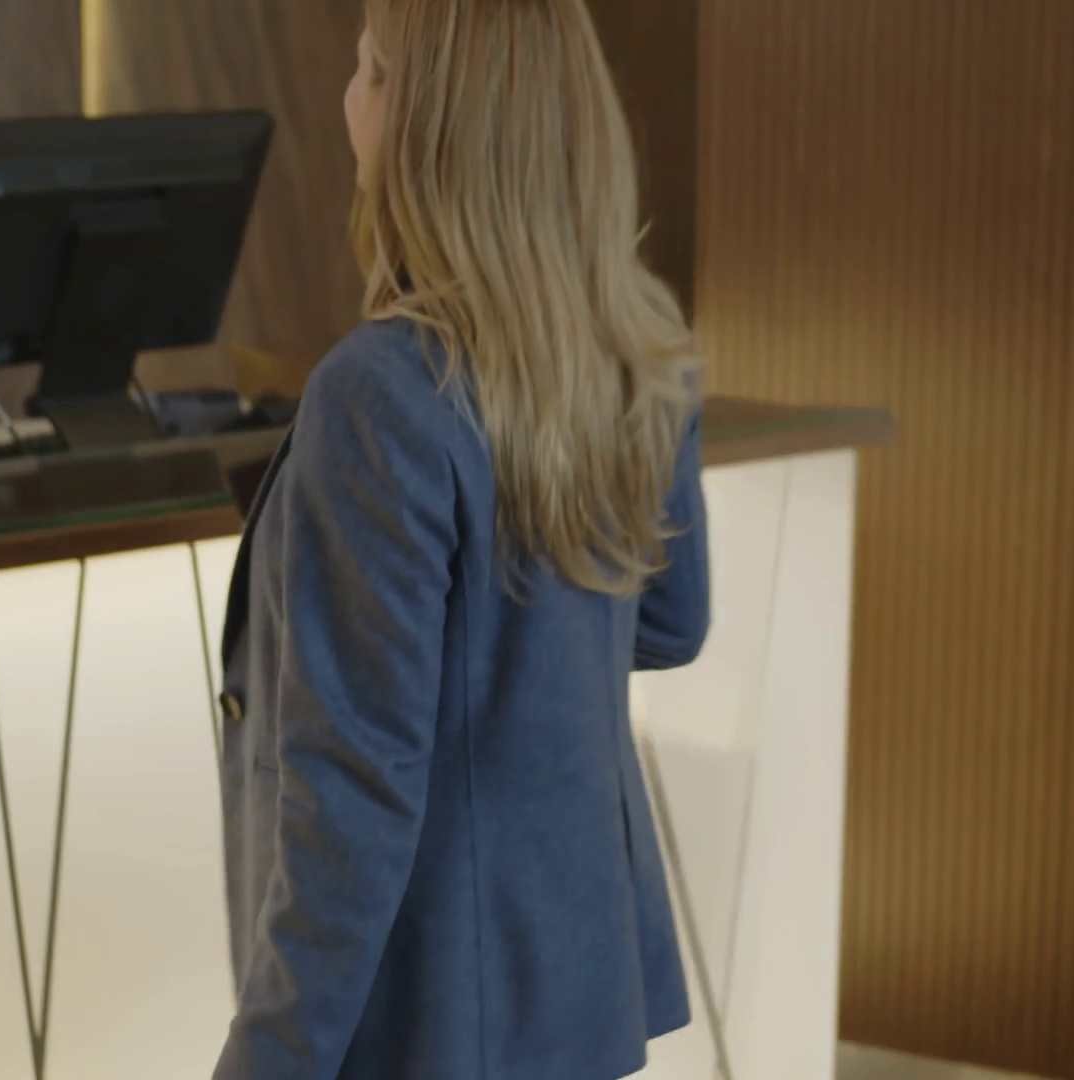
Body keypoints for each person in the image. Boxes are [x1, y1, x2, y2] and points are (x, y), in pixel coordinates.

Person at [213, 0, 710, 1076]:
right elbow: (669, 622)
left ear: (428, 122)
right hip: (575, 998)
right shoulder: (636, 346)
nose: (348, 98)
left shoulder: (380, 395)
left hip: (431, 1024)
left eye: (369, 70)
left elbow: (353, 798)